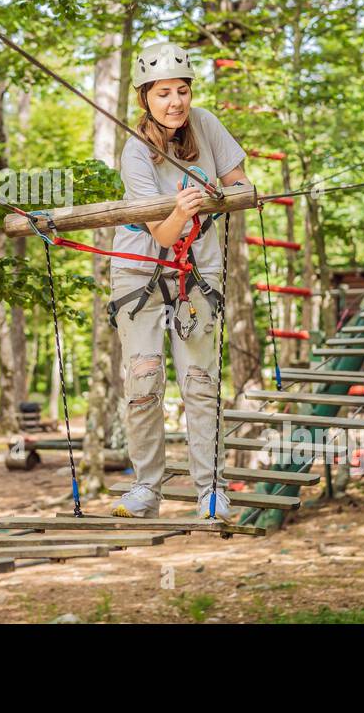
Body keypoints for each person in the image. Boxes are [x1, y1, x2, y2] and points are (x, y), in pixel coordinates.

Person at [106, 41, 250, 519]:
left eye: (182, 90)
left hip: (197, 273)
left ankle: (212, 489)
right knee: (143, 380)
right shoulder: (136, 151)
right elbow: (163, 234)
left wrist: (224, 194)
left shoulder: (205, 125)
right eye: (163, 92)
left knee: (200, 381)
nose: (176, 102)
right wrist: (183, 208)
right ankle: (147, 488)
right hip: (140, 271)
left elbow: (239, 181)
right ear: (145, 97)